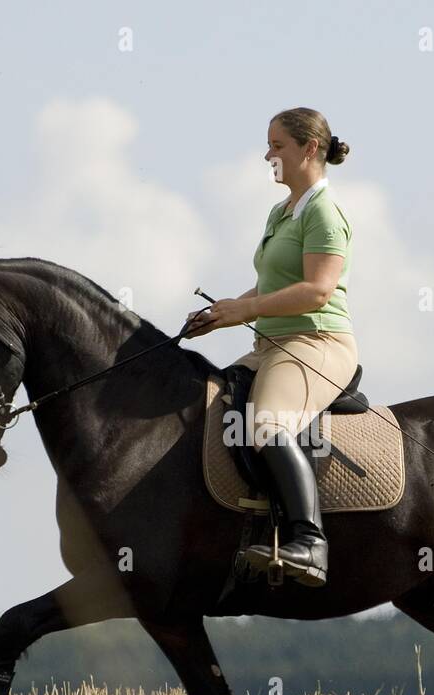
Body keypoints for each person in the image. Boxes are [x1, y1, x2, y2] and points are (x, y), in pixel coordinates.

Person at [185, 107, 358, 587]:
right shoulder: (280, 212)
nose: (268, 155)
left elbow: (318, 290)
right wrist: (223, 312)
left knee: (265, 423)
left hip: (316, 342)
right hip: (271, 344)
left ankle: (309, 543)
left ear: (308, 149)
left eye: (277, 146)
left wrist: (247, 311)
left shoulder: (325, 211)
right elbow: (267, 287)